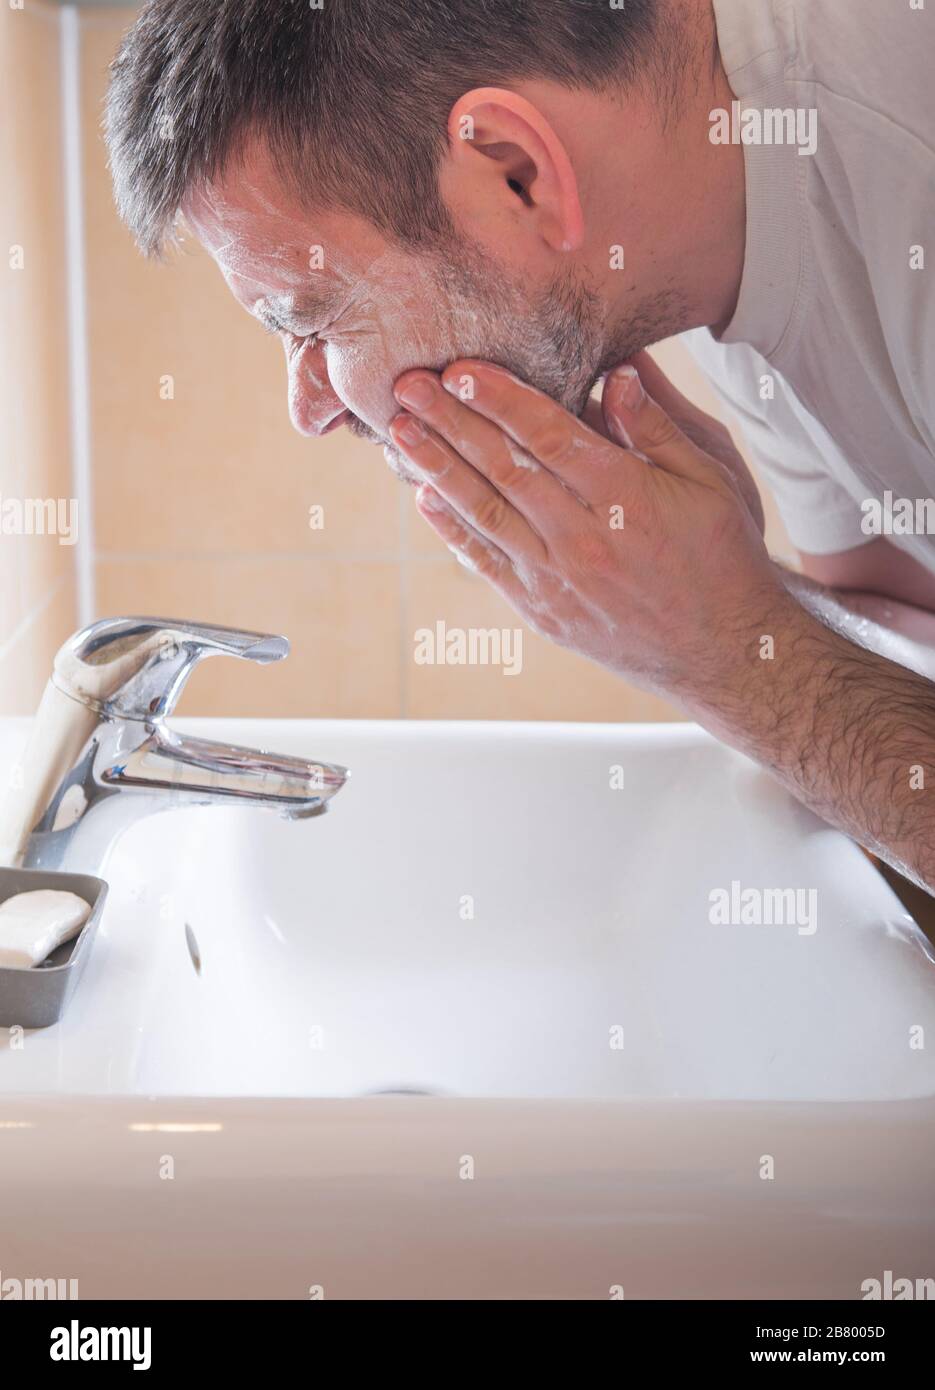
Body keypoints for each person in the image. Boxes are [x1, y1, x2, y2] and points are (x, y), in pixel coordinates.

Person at [106, 0, 935, 891]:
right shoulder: (708, 219)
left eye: (312, 320)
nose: (310, 408)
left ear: (514, 173)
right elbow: (909, 640)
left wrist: (726, 651)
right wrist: (732, 599)